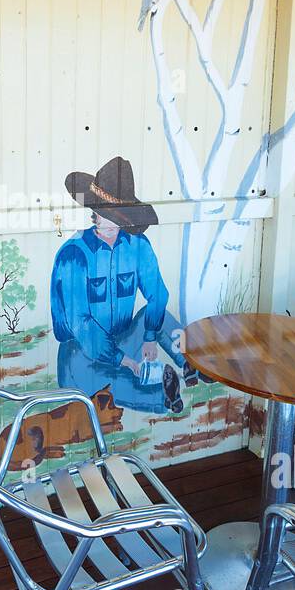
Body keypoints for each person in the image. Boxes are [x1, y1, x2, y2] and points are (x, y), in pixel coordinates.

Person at [49, 156, 198, 414]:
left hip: (122, 339)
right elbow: (81, 324)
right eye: (104, 213)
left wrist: (150, 337)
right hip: (82, 355)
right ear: (93, 211)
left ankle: (191, 364)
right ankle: (163, 395)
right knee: (109, 384)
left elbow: (157, 295)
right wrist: (127, 360)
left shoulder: (137, 246)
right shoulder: (73, 255)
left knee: (157, 315)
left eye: (118, 215)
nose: (111, 221)